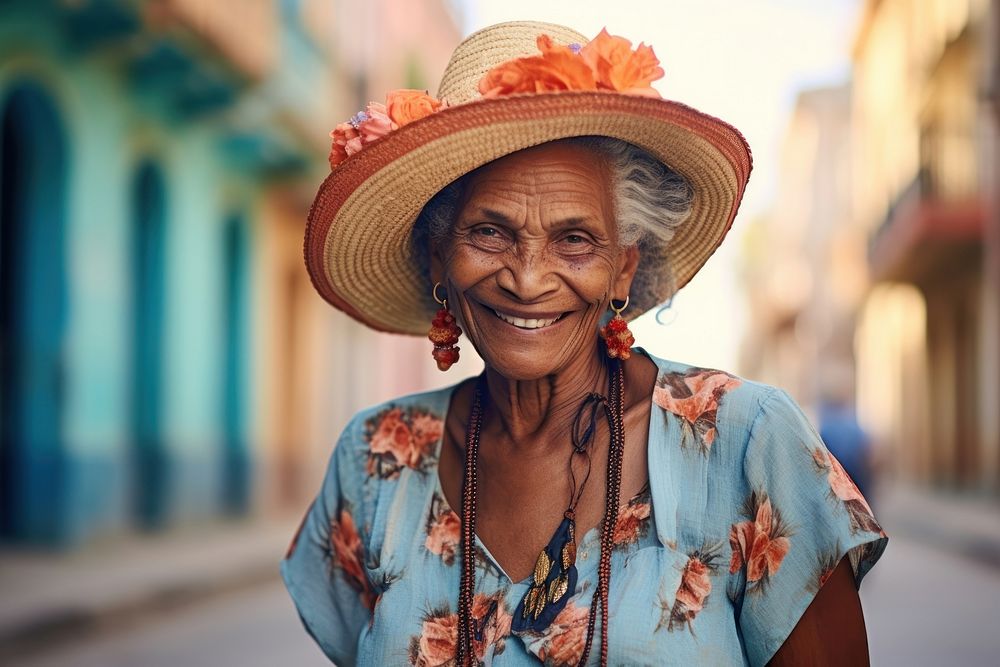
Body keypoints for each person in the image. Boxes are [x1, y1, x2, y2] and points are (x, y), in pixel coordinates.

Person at [281, 21, 887, 666]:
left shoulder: (746, 442)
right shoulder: (376, 464)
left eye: (575, 240)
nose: (527, 278)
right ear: (438, 258)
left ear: (623, 268)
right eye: (489, 232)